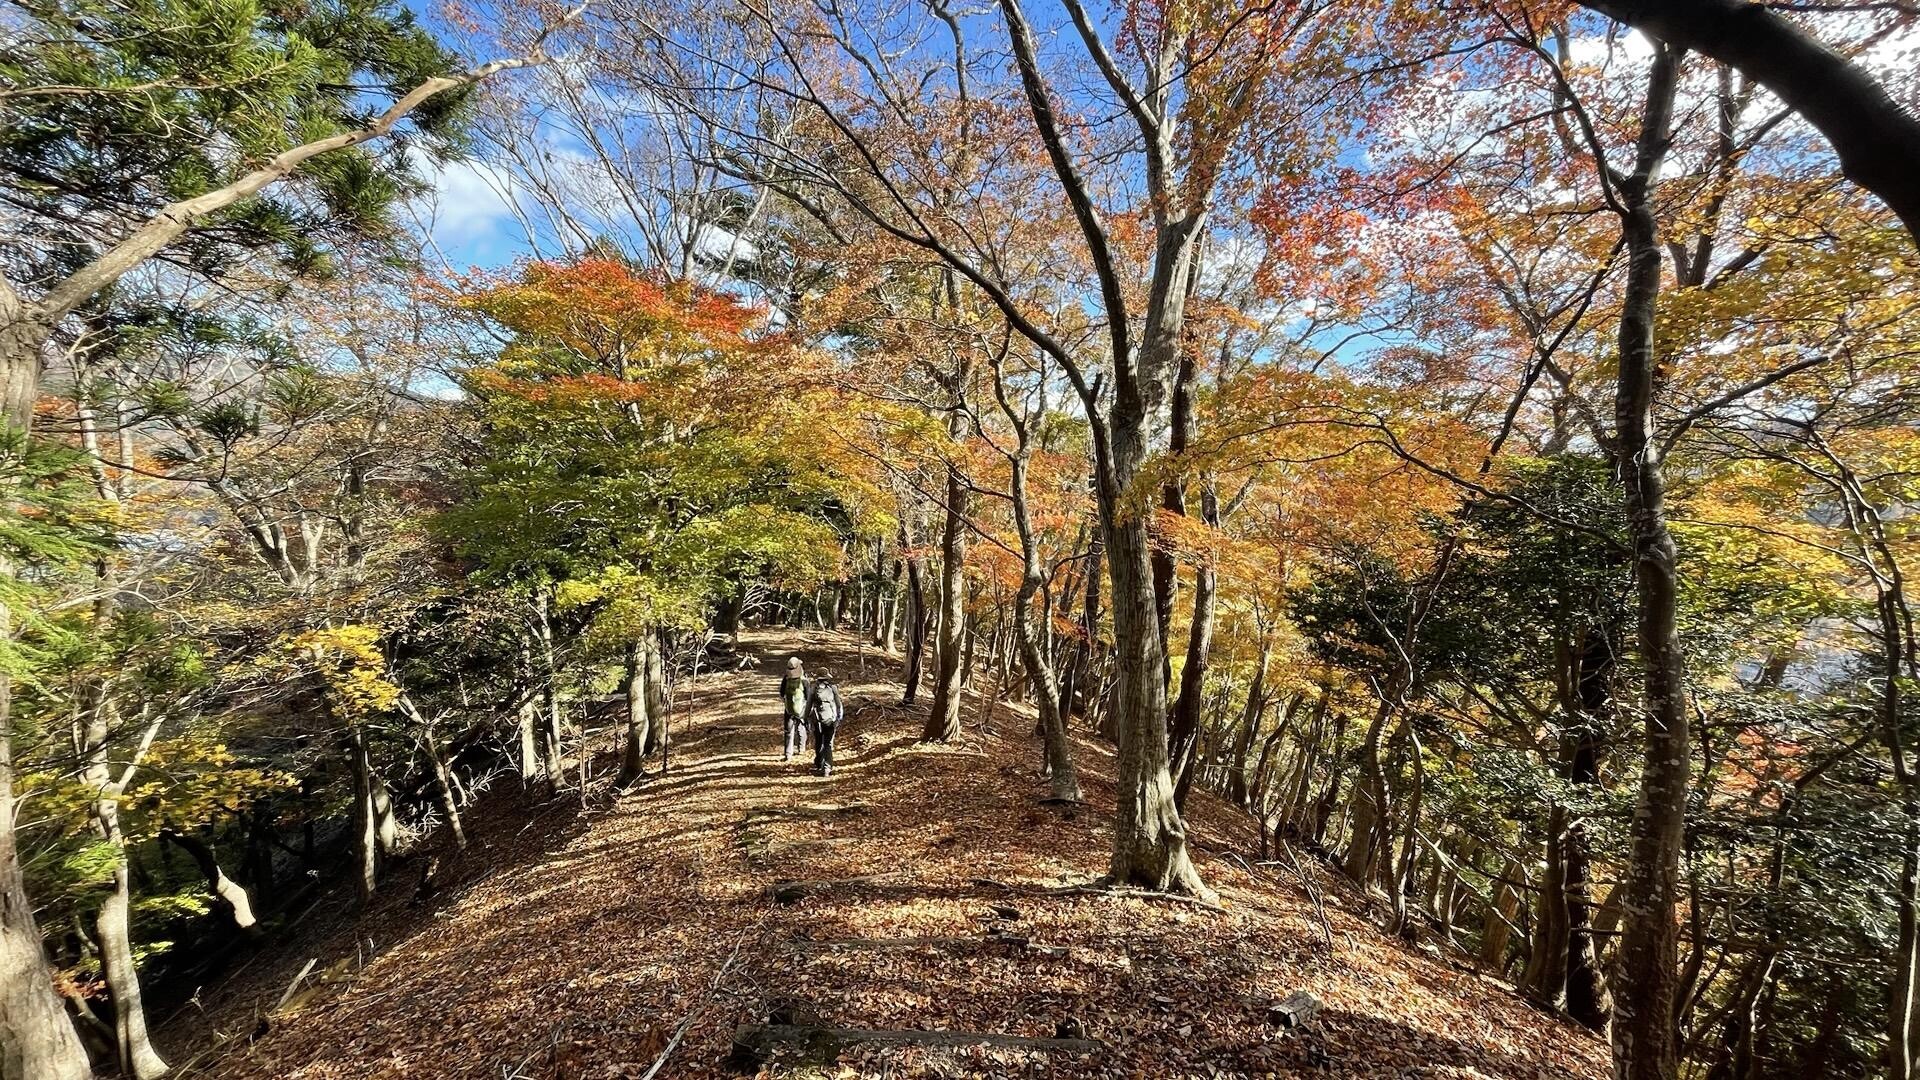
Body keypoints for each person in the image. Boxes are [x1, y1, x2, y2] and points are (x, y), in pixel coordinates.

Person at [807, 673, 843, 777]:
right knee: (828, 744)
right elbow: (839, 704)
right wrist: (839, 718)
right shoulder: (833, 688)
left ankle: (819, 764)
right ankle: (827, 768)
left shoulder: (813, 689)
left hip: (817, 720)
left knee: (818, 742)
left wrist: (805, 718)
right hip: (830, 719)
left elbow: (808, 706)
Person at [779, 656, 808, 761]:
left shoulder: (786, 678)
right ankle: (801, 748)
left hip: (789, 708)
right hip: (801, 708)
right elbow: (808, 695)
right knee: (801, 727)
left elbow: (782, 693)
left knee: (788, 731)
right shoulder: (804, 680)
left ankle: (788, 753)